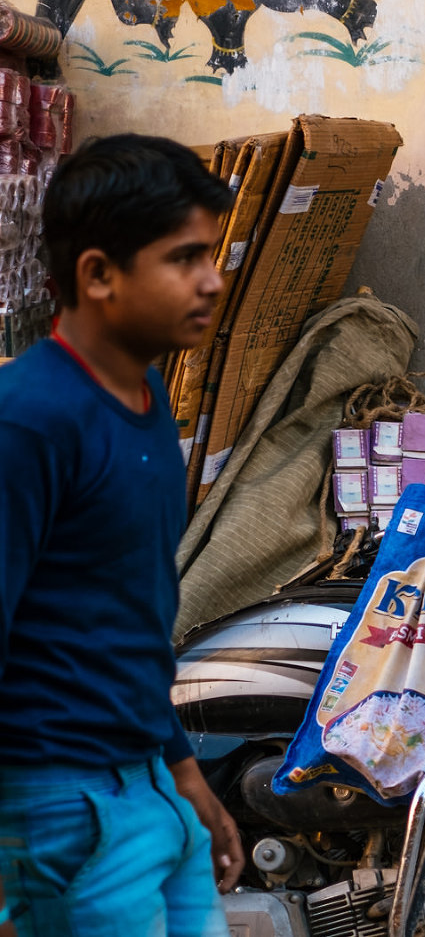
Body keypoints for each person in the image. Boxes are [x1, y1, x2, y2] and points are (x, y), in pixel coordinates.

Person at [0, 136, 243, 937]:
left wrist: (186, 783)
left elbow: (128, 624)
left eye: (211, 253)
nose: (212, 280)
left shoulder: (143, 399)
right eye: (184, 258)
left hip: (147, 789)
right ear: (99, 274)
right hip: (62, 809)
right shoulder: (29, 420)